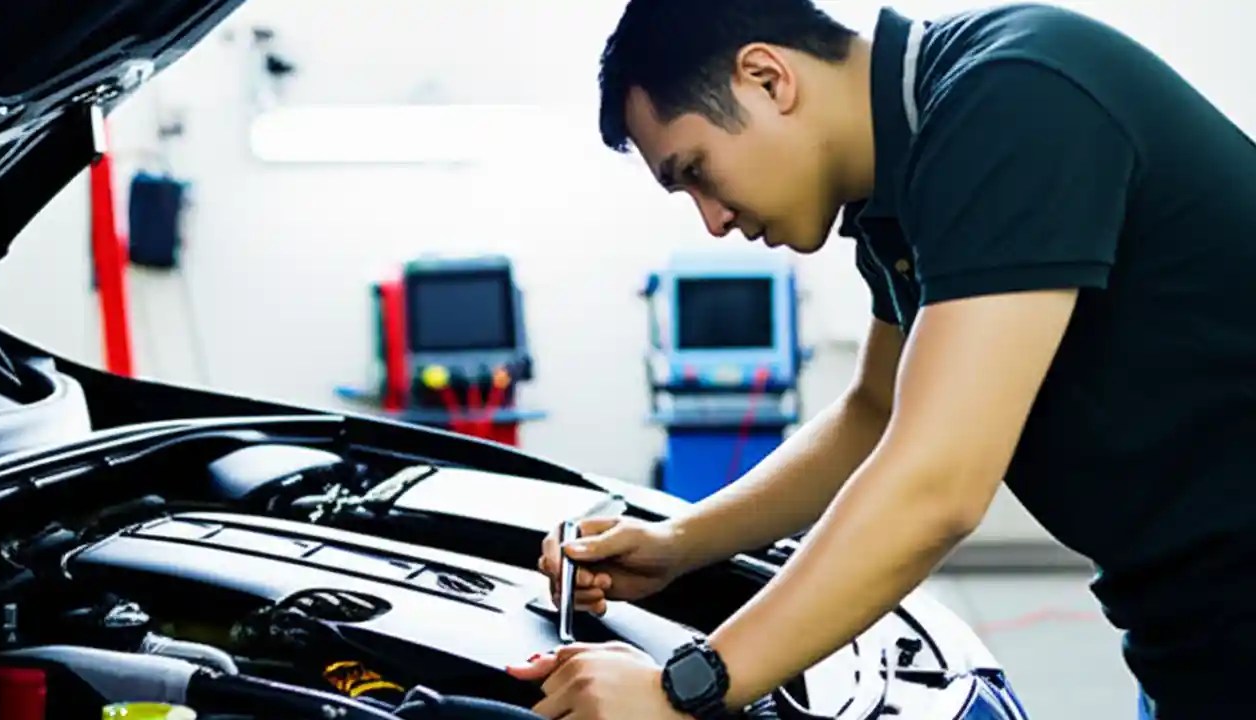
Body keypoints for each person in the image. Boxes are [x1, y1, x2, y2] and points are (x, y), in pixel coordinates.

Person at [504, 1, 1256, 718]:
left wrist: (688, 687)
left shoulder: (1012, 99)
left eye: (695, 170)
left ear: (767, 78)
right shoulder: (905, 178)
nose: (713, 220)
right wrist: (680, 544)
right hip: (1189, 629)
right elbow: (877, 411)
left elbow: (938, 482)